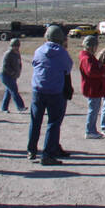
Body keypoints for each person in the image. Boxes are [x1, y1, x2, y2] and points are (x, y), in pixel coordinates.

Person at [28, 25, 74, 165]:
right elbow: (68, 68)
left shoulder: (39, 50)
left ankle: (31, 150)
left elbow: (34, 63)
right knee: (53, 123)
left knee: (35, 121)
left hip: (38, 90)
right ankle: (47, 155)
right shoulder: (63, 53)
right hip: (55, 92)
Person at [78, 35, 105, 139]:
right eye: (95, 46)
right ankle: (90, 131)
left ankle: (92, 129)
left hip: (94, 88)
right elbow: (91, 72)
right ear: (91, 46)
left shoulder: (88, 57)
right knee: (93, 110)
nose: (96, 48)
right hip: (92, 88)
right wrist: (104, 69)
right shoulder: (86, 58)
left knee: (94, 109)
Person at [0, 38, 26, 112]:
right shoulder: (8, 53)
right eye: (14, 46)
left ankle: (4, 108)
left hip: (13, 76)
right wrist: (12, 73)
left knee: (8, 91)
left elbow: (19, 63)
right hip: (5, 75)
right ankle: (20, 107)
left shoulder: (17, 53)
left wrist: (18, 72)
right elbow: (5, 66)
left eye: (17, 46)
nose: (16, 47)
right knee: (14, 90)